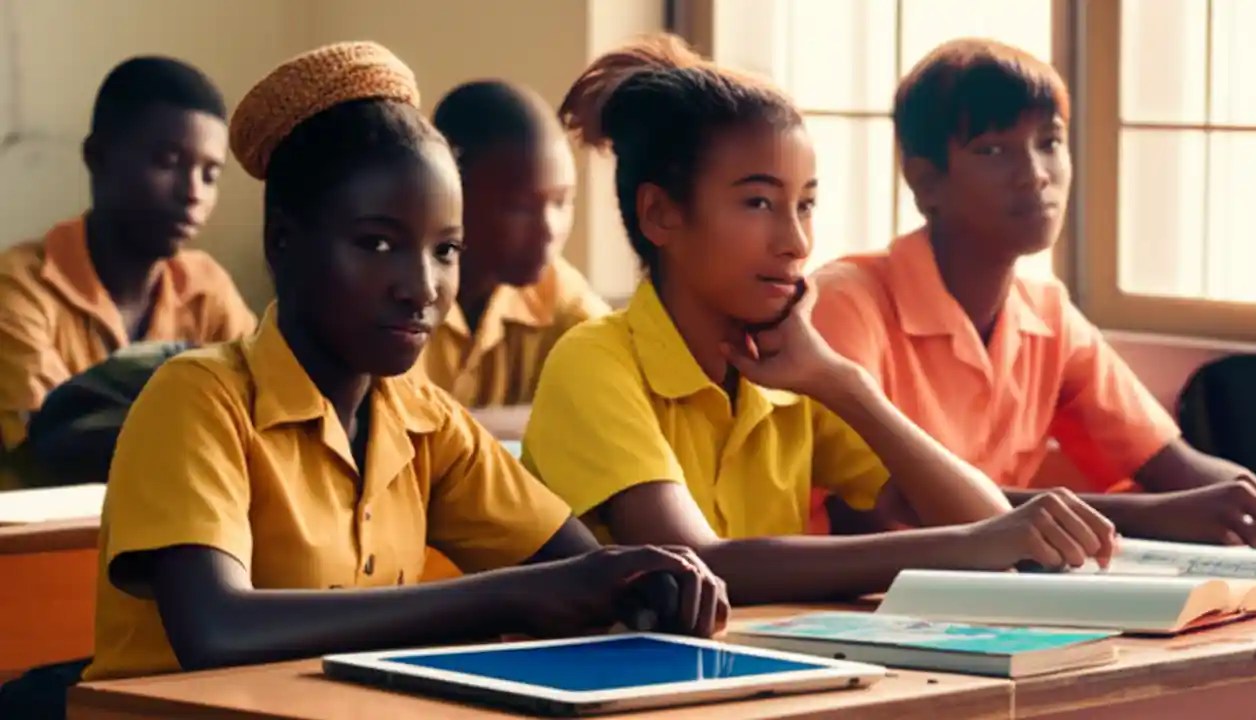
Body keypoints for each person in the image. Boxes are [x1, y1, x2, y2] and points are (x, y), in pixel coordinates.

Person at [83, 42, 726, 682]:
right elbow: (215, 627)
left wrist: (646, 588)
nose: (420, 286)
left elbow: (569, 572)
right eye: (378, 243)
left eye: (445, 250)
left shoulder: (421, 420)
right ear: (283, 241)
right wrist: (503, 598)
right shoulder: (199, 398)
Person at [522, 34, 1115, 606]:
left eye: (805, 204)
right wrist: (963, 547)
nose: (796, 241)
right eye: (758, 203)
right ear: (660, 214)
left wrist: (842, 383)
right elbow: (693, 562)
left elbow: (991, 525)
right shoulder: (595, 362)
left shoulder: (792, 379)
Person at [811, 38, 1256, 548]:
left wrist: (1253, 504)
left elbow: (1173, 467)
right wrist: (1154, 515)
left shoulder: (1046, 313)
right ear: (925, 182)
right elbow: (872, 509)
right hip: (859, 597)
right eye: (992, 150)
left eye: (1050, 143)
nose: (1035, 175)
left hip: (990, 592)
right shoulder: (846, 303)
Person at [0, 57, 256, 465]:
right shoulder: (19, 288)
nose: (193, 193)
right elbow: (49, 446)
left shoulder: (208, 288)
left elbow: (261, 412)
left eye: (210, 175)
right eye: (168, 162)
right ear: (98, 158)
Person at [425, 80, 610, 439]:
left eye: (562, 201)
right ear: (452, 196)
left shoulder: (553, 289)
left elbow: (627, 402)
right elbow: (394, 430)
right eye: (520, 208)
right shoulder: (401, 293)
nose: (548, 229)